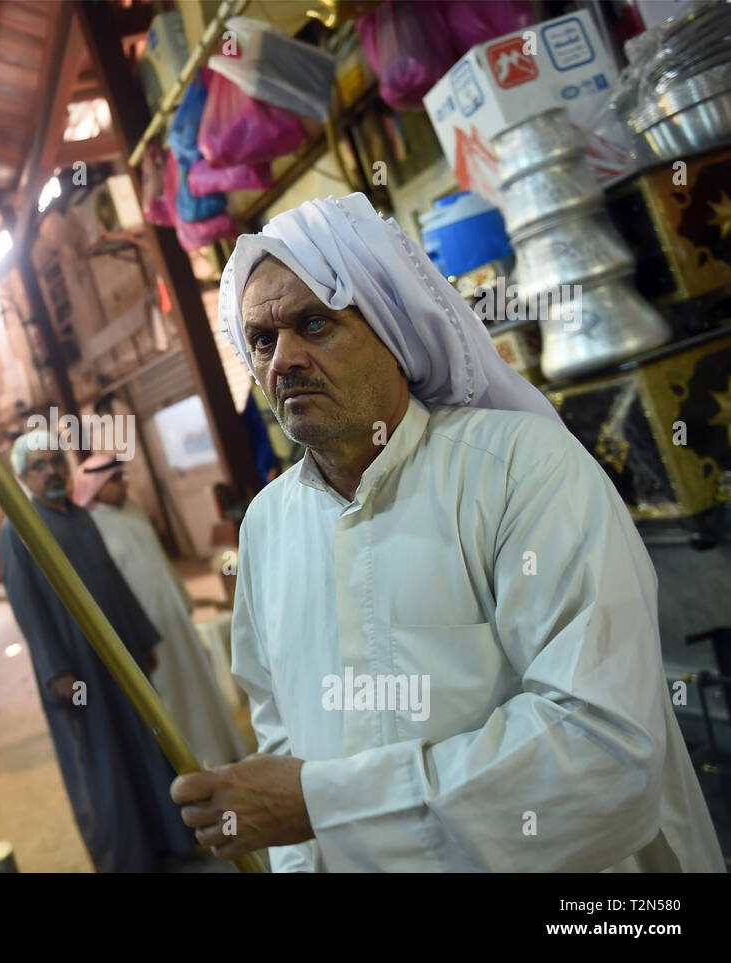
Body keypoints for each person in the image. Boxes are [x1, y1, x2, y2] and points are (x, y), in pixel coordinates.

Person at [171, 192, 724, 872]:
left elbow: (601, 750)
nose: (283, 359)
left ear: (393, 333)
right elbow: (282, 731)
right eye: (262, 338)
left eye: (314, 323)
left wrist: (328, 804)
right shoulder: (266, 526)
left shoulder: (522, 471)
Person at [0, 431, 196, 872]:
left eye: (56, 462)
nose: (51, 471)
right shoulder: (17, 531)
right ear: (23, 477)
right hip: (78, 670)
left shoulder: (78, 517)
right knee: (103, 757)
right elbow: (27, 608)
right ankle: (130, 860)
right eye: (39, 465)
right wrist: (58, 671)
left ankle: (169, 840)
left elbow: (113, 581)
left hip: (120, 657)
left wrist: (142, 640)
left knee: (146, 744)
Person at [72, 454, 246, 767]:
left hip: (175, 617)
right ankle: (194, 761)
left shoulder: (134, 510)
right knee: (172, 696)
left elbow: (160, 562)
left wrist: (184, 600)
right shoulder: (91, 527)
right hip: (147, 630)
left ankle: (223, 751)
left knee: (200, 684)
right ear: (95, 486)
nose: (123, 483)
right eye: (115, 480)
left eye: (122, 477)